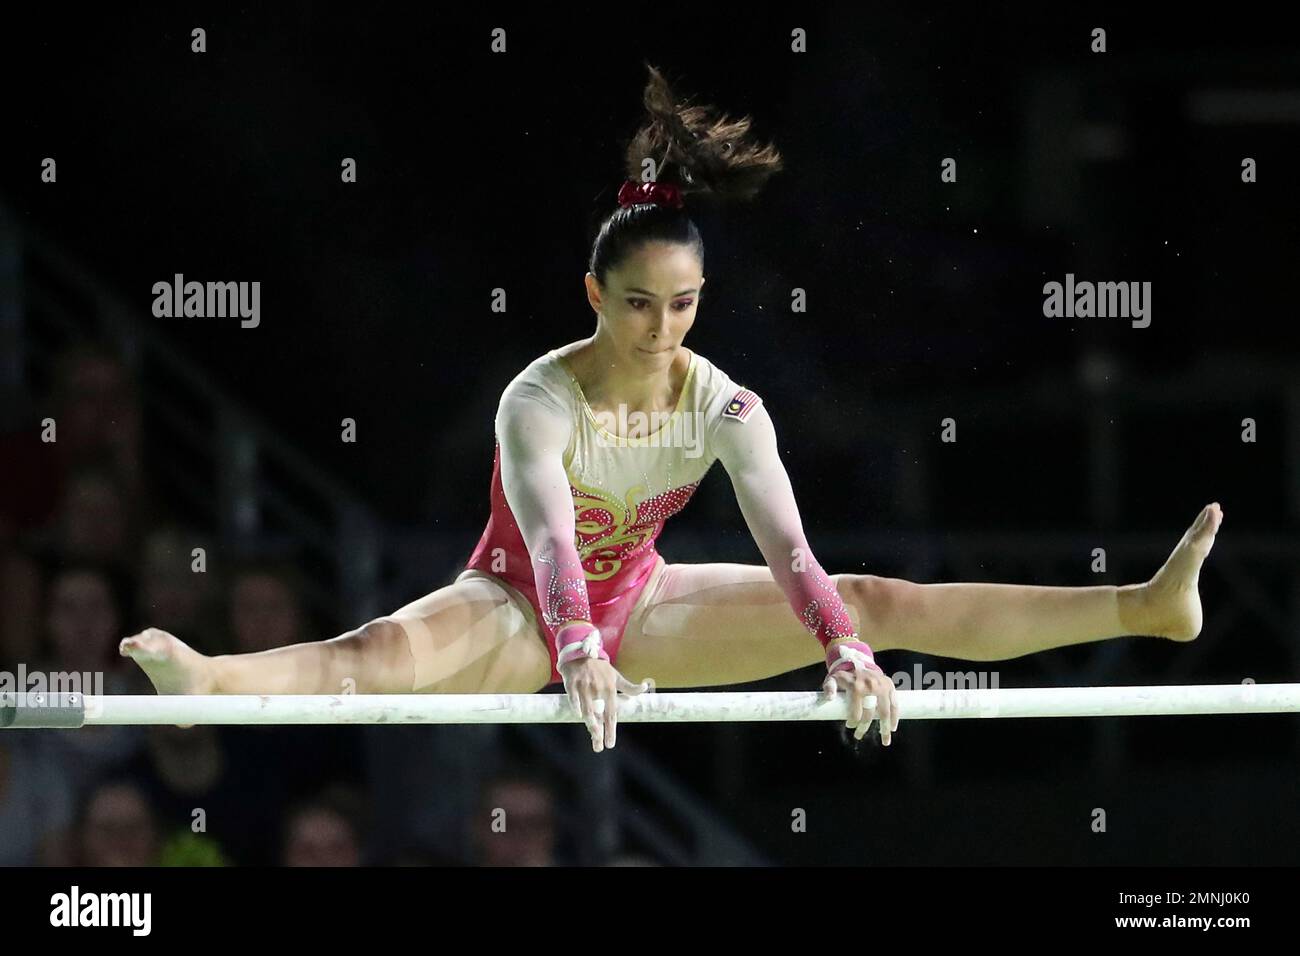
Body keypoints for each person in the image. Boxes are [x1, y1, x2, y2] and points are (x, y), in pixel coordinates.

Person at [120, 64, 1222, 756]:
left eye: (683, 304)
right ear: (594, 294)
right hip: (514, 607)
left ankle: (1138, 605)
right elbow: (548, 538)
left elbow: (786, 542)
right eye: (639, 304)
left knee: (875, 595)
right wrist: (574, 646)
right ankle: (211, 681)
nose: (661, 329)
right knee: (374, 654)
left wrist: (838, 646)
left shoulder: (725, 403)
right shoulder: (537, 398)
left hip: (644, 602)